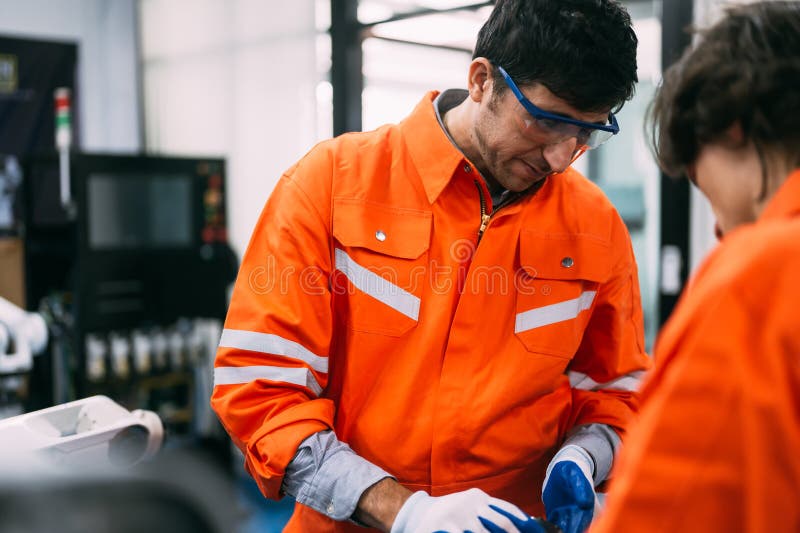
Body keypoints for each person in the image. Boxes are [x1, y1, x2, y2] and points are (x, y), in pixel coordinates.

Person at [211, 1, 651, 532]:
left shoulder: (594, 225)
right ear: (482, 80)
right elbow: (260, 394)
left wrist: (584, 457)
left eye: (586, 133)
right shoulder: (330, 187)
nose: (561, 158)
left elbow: (616, 394)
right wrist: (403, 511)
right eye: (546, 122)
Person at [588, 2, 800, 531]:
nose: (719, 228)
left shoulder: (763, 272)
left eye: (704, 187)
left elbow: (664, 507)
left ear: (730, 129)